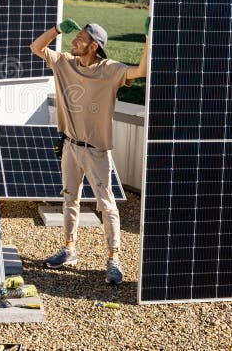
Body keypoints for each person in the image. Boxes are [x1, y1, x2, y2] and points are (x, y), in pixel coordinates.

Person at [30, 18, 149, 284]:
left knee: (107, 206)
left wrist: (148, 39)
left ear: (94, 46)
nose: (74, 41)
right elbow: (36, 47)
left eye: (80, 39)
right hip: (71, 146)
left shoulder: (110, 70)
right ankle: (69, 249)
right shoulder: (65, 63)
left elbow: (141, 71)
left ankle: (113, 259)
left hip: (97, 151)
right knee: (70, 198)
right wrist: (58, 29)